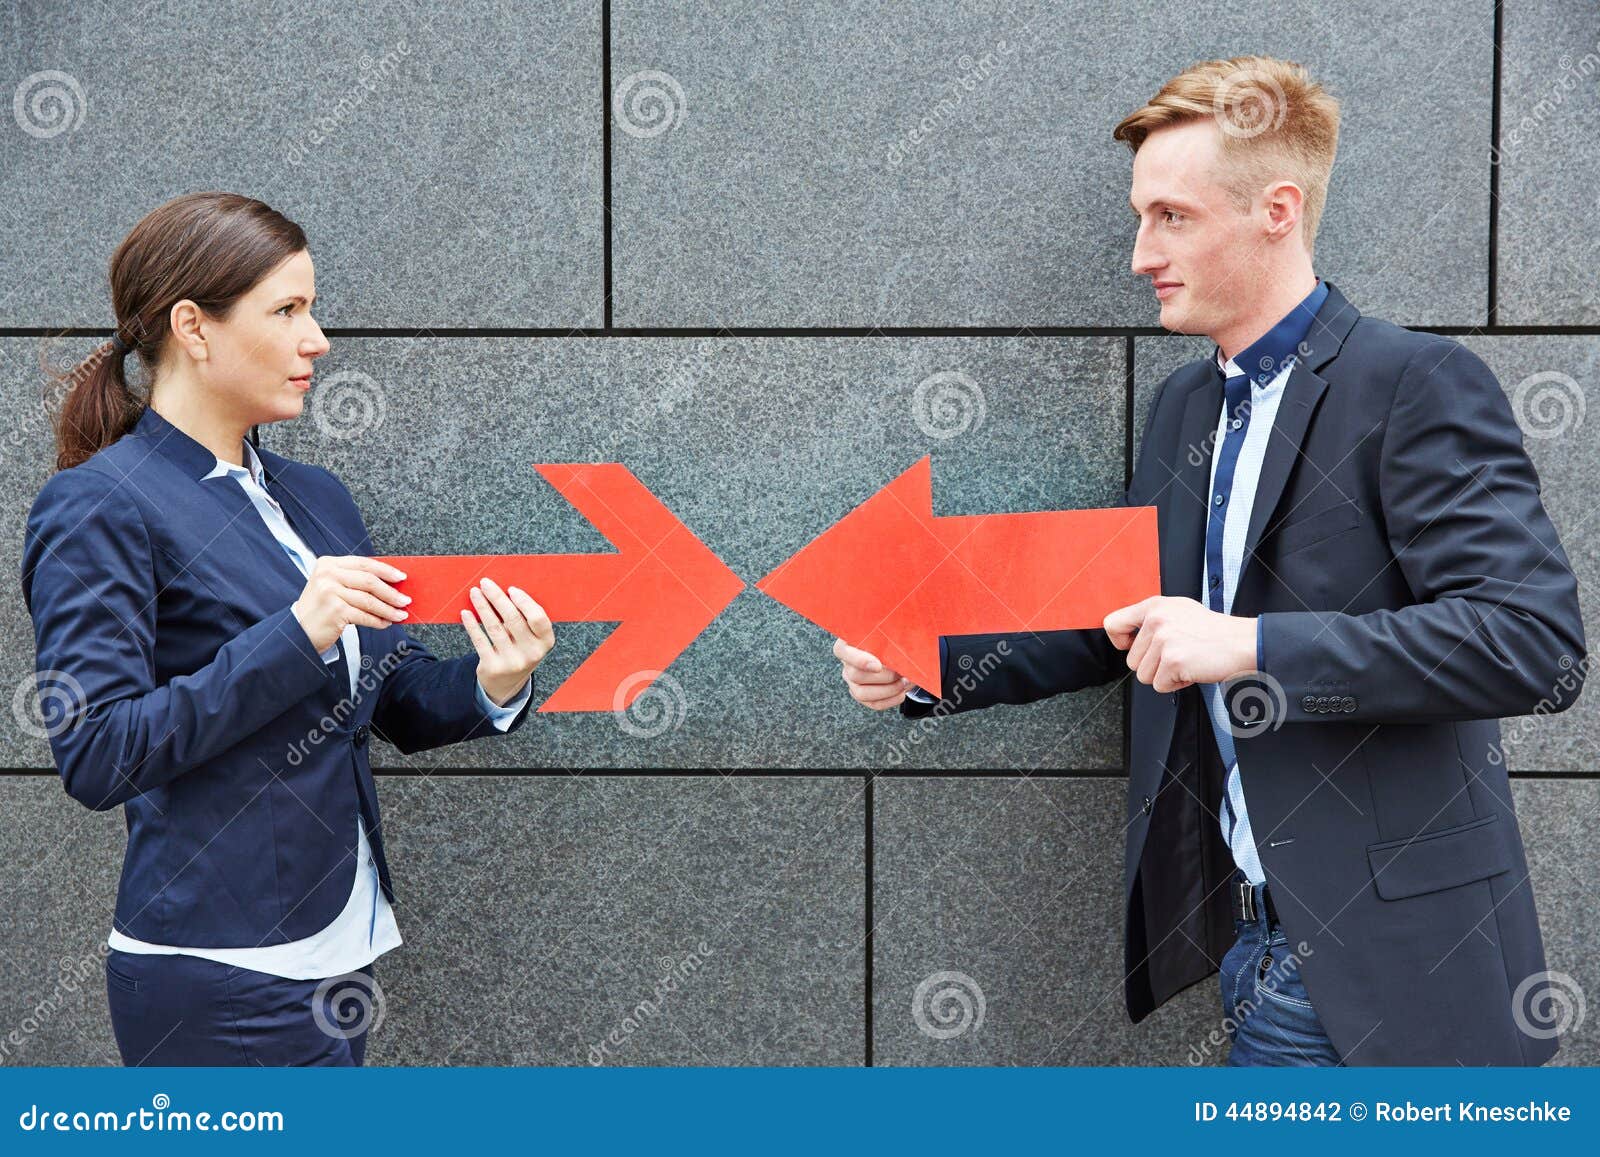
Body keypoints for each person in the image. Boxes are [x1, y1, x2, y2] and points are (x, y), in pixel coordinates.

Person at [835, 56, 1585, 1065]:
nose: (1141, 251)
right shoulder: (1187, 406)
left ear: (1277, 208)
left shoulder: (1413, 384)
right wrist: (929, 663)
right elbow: (1122, 616)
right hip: (1250, 946)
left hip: (1398, 969)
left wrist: (1247, 642)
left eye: (1172, 217)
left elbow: (1529, 645)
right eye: (1141, 217)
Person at [20, 191, 555, 1066]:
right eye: (288, 310)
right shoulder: (100, 505)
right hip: (218, 975)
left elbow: (396, 699)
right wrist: (295, 633)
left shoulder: (317, 498)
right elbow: (96, 750)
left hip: (338, 958)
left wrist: (495, 678)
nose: (319, 340)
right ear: (194, 327)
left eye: (312, 308)